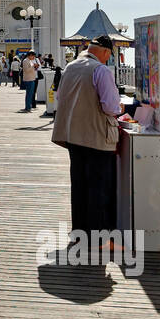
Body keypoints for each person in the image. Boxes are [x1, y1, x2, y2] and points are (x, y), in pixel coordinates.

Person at [51, 36, 123, 242]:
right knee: (99, 188)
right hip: (96, 136)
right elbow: (110, 106)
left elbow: (60, 97)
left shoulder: (70, 67)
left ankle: (80, 233)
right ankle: (98, 238)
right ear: (106, 52)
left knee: (80, 185)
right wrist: (120, 108)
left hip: (73, 136)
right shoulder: (101, 70)